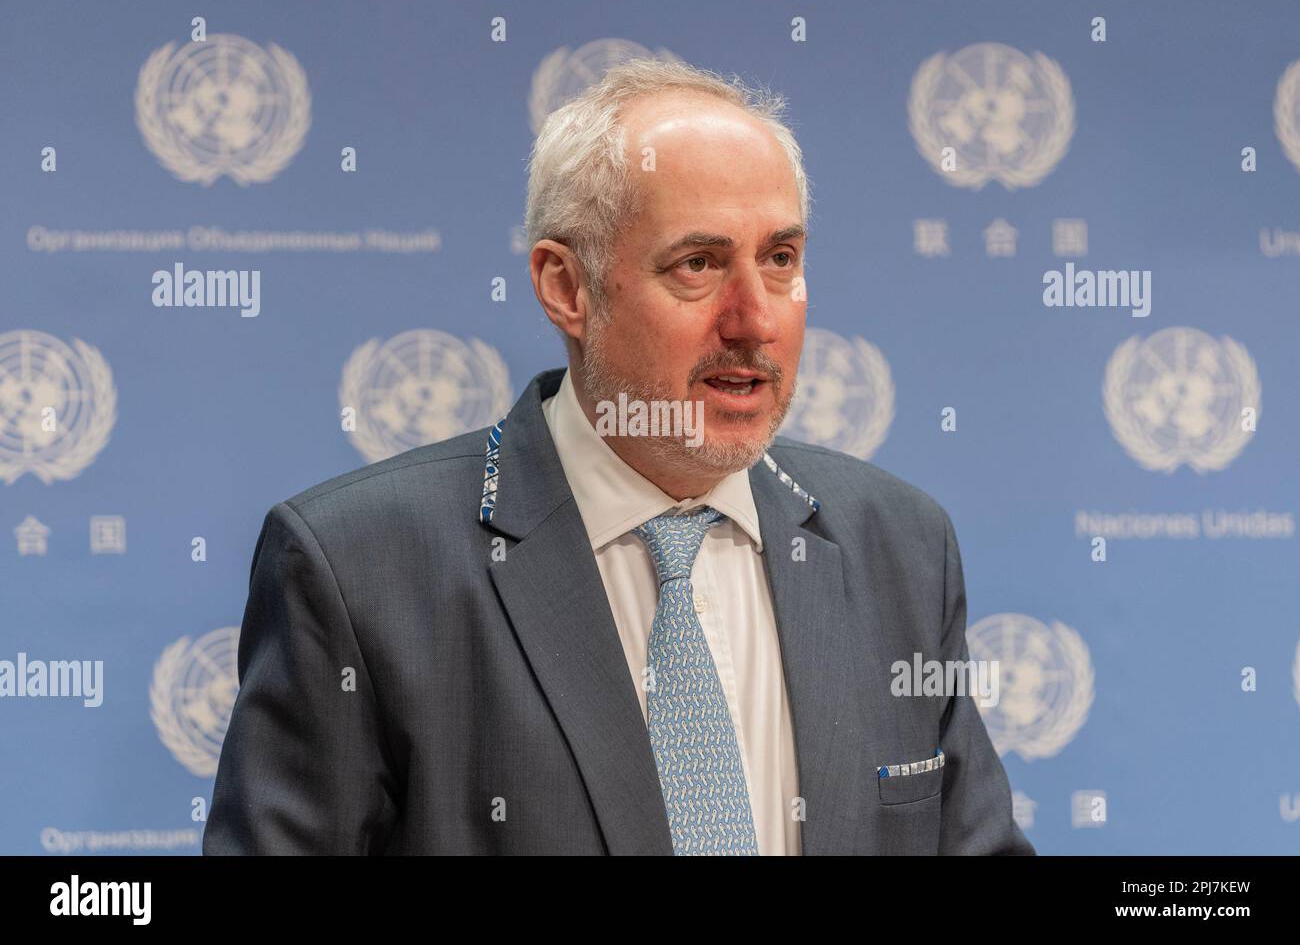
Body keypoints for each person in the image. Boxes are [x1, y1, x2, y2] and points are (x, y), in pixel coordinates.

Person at [204, 58, 1034, 855]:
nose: (754, 319)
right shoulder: (359, 569)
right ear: (567, 287)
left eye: (779, 259)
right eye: (699, 264)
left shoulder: (900, 545)